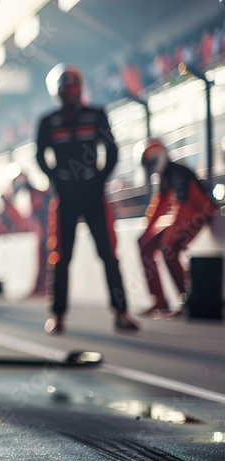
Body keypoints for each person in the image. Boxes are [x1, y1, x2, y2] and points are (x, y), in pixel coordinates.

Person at [35, 64, 138, 334]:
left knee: (108, 253)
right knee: (61, 256)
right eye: (64, 89)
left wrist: (99, 178)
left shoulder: (96, 115)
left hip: (93, 194)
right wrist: (57, 179)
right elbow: (39, 157)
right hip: (65, 197)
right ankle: (57, 316)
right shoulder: (48, 122)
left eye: (72, 88)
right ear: (56, 92)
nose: (68, 93)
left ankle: (121, 312)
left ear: (79, 89)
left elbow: (112, 150)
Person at [137, 139, 218, 318]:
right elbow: (159, 205)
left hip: (199, 212)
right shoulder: (164, 175)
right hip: (181, 215)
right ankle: (159, 301)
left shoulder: (178, 172)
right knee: (145, 247)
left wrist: (171, 235)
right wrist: (145, 233)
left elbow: (186, 205)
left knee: (169, 250)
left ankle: (186, 300)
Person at [2, 173, 53, 297]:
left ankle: (44, 287)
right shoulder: (31, 196)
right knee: (43, 257)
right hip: (41, 231)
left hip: (45, 231)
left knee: (46, 257)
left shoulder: (37, 195)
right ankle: (42, 287)